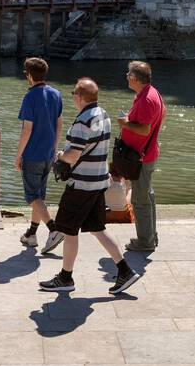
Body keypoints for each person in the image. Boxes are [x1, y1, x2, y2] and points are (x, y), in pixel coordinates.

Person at [38, 77, 141, 296]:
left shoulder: (82, 121)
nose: (73, 97)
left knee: (67, 229)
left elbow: (73, 155)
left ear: (81, 97)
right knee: (98, 229)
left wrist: (59, 156)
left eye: (74, 94)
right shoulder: (103, 114)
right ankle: (125, 271)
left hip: (81, 185)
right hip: (98, 181)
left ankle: (65, 278)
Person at [15, 56, 64, 250]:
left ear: (29, 76)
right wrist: (54, 148)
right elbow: (59, 124)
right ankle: (32, 234)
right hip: (48, 154)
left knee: (32, 196)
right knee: (39, 197)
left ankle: (54, 229)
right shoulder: (56, 94)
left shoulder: (30, 97)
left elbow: (27, 129)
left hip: (33, 154)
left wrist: (19, 155)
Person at [117, 60, 165, 253]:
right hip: (147, 153)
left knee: (140, 200)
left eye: (128, 74)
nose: (127, 77)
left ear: (134, 78)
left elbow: (145, 129)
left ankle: (145, 242)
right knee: (147, 195)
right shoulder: (150, 93)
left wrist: (125, 123)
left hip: (142, 158)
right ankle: (151, 235)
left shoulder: (146, 99)